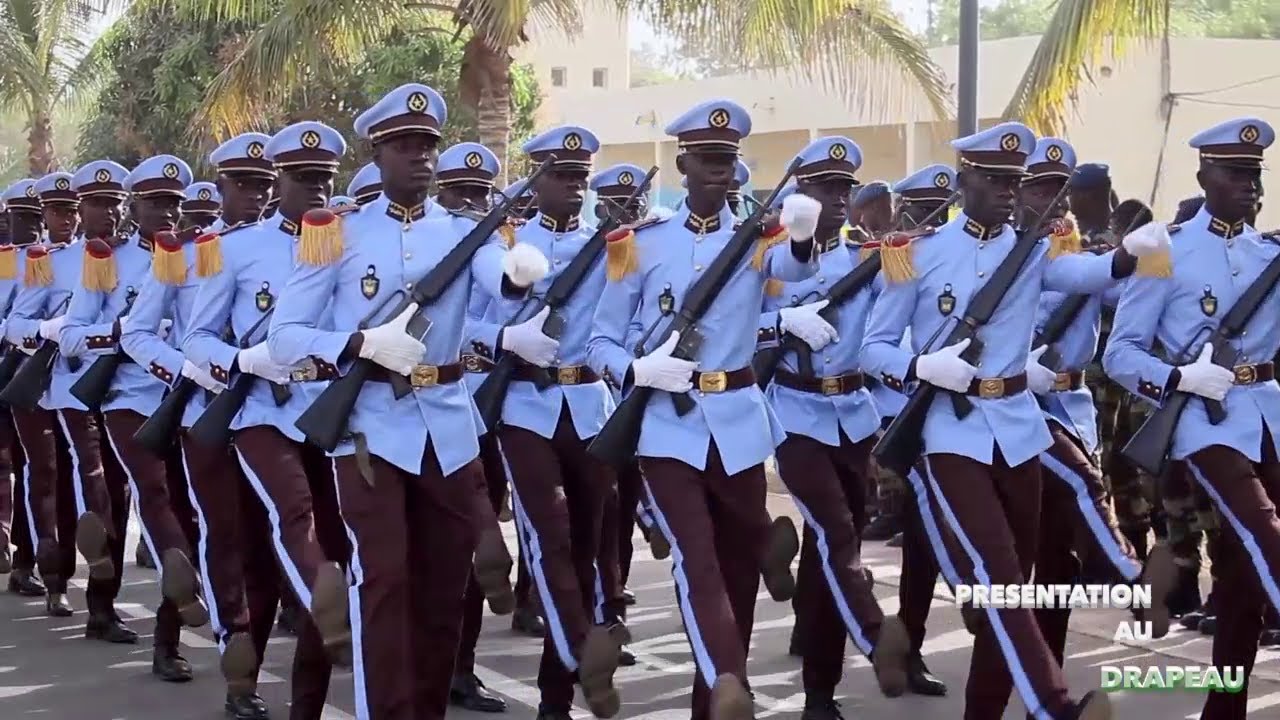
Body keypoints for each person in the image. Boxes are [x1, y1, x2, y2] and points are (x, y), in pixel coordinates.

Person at [860, 121, 1165, 720]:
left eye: (1014, 180)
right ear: (965, 180)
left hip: (1020, 430)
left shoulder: (1030, 252)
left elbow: (1090, 275)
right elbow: (873, 348)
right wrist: (924, 364)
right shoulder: (915, 252)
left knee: (1013, 591)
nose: (1007, 190)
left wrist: (1131, 253)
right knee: (1001, 579)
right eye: (996, 179)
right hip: (950, 430)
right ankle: (1054, 706)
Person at [268, 82, 548, 720]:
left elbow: (498, 290)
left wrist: (519, 270)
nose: (420, 157)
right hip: (369, 427)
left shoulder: (463, 233)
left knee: (448, 585)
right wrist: (362, 342)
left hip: (447, 425)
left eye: (428, 145)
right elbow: (285, 337)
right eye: (405, 145)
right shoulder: (335, 235)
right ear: (379, 153)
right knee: (386, 579)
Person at [587, 97, 821, 720]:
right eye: (708, 160)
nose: (719, 172)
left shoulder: (757, 240)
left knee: (740, 569)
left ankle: (715, 698)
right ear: (683, 163)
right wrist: (635, 369)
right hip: (666, 423)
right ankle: (726, 679)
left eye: (728, 161)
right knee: (696, 556)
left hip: (738, 423)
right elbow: (600, 339)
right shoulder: (639, 244)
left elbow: (793, 269)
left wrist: (801, 235)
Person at [1103, 117, 1280, 720]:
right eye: (1235, 174)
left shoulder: (1269, 255)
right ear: (1204, 175)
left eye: (1255, 176)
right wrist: (1178, 379)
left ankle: (1222, 710)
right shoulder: (1165, 251)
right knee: (1265, 538)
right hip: (1203, 423)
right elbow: (1121, 353)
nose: (1249, 187)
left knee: (1240, 574)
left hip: (1269, 417)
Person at [184, 121, 352, 717]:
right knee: (285, 526)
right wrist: (243, 359)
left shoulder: (349, 243)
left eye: (325, 180)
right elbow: (196, 340)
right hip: (258, 411)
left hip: (332, 412)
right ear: (280, 182)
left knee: (332, 543)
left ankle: (308, 697)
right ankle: (245, 677)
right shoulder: (232, 250)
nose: (316, 191)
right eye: (303, 179)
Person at [463, 123, 629, 720]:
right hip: (524, 408)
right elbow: (462, 326)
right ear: (535, 180)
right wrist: (509, 336)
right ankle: (583, 644)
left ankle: (555, 698)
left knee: (584, 549)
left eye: (581, 178)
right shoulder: (500, 245)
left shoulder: (614, 244)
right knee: (548, 535)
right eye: (562, 176)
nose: (575, 188)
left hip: (587, 407)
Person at [120, 131, 280, 719]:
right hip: (201, 414)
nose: (256, 196)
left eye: (265, 185)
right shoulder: (188, 254)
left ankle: (251, 655)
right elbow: (137, 333)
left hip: (272, 411)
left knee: (268, 538)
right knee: (214, 530)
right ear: (222, 187)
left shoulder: (291, 248)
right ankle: (208, 646)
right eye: (246, 185)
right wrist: (184, 368)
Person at [758, 135, 911, 720]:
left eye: (845, 188)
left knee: (827, 559)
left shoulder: (865, 258)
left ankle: (820, 691)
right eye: (826, 188)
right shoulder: (768, 256)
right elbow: (733, 330)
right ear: (802, 193)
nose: (839, 198)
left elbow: (888, 335)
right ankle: (877, 637)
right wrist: (780, 324)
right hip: (793, 415)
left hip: (853, 418)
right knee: (836, 531)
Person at [1018, 139, 1176, 685]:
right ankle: (1132, 580)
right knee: (1083, 490)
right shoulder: (990, 254)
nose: (1055, 202)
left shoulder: (1082, 258)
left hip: (1071, 405)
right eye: (1042, 188)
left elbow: (1117, 287)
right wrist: (1014, 367)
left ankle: (1045, 674)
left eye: (1061, 191)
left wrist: (1149, 252)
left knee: (1055, 554)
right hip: (1006, 408)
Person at [62, 155, 217, 682]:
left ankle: (167, 639)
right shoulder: (109, 261)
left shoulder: (203, 256)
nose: (167, 213)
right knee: (148, 492)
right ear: (135, 208)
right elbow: (72, 334)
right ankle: (118, 598)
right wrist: (123, 334)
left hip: (190, 398)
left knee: (190, 510)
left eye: (174, 203)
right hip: (127, 395)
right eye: (155, 204)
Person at [6, 171, 136, 632]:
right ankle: (57, 573)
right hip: (68, 388)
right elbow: (15, 324)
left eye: (114, 203)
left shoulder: (145, 260)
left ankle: (103, 604)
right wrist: (48, 330)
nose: (108, 213)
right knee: (76, 473)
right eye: (96, 203)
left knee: (118, 493)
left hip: (129, 391)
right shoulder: (54, 263)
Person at [435, 140, 518, 715]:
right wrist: (496, 341)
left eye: (481, 193)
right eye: (461, 192)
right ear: (441, 193)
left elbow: (509, 306)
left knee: (474, 550)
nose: (472, 202)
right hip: (425, 406)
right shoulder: (432, 246)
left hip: (475, 413)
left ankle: (460, 668)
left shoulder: (496, 251)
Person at [588, 162, 648, 649]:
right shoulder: (590, 249)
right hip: (569, 395)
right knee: (579, 518)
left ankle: (611, 599)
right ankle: (588, 615)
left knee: (618, 512)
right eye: (616, 204)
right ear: (600, 205)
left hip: (622, 396)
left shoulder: (642, 250)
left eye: (636, 203)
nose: (628, 211)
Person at [0, 183, 47, 599]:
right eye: (24, 218)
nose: (33, 226)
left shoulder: (51, 260)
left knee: (31, 467)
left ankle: (25, 559)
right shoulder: (4, 263)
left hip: (36, 378)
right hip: (6, 370)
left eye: (38, 217)